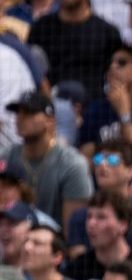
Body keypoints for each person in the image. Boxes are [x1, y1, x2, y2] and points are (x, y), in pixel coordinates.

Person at [28, 0, 123, 101]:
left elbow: (116, 75)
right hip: (51, 105)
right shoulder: (41, 28)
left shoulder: (107, 32)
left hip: (94, 106)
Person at [3, 91, 92, 229]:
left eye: (29, 113)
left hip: (54, 238)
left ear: (50, 121)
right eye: (18, 113)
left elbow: (73, 230)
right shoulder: (6, 157)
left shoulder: (72, 164)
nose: (20, 118)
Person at [77, 45, 132, 159]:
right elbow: (84, 156)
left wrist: (124, 115)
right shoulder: (95, 110)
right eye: (110, 63)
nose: (112, 67)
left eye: (122, 63)